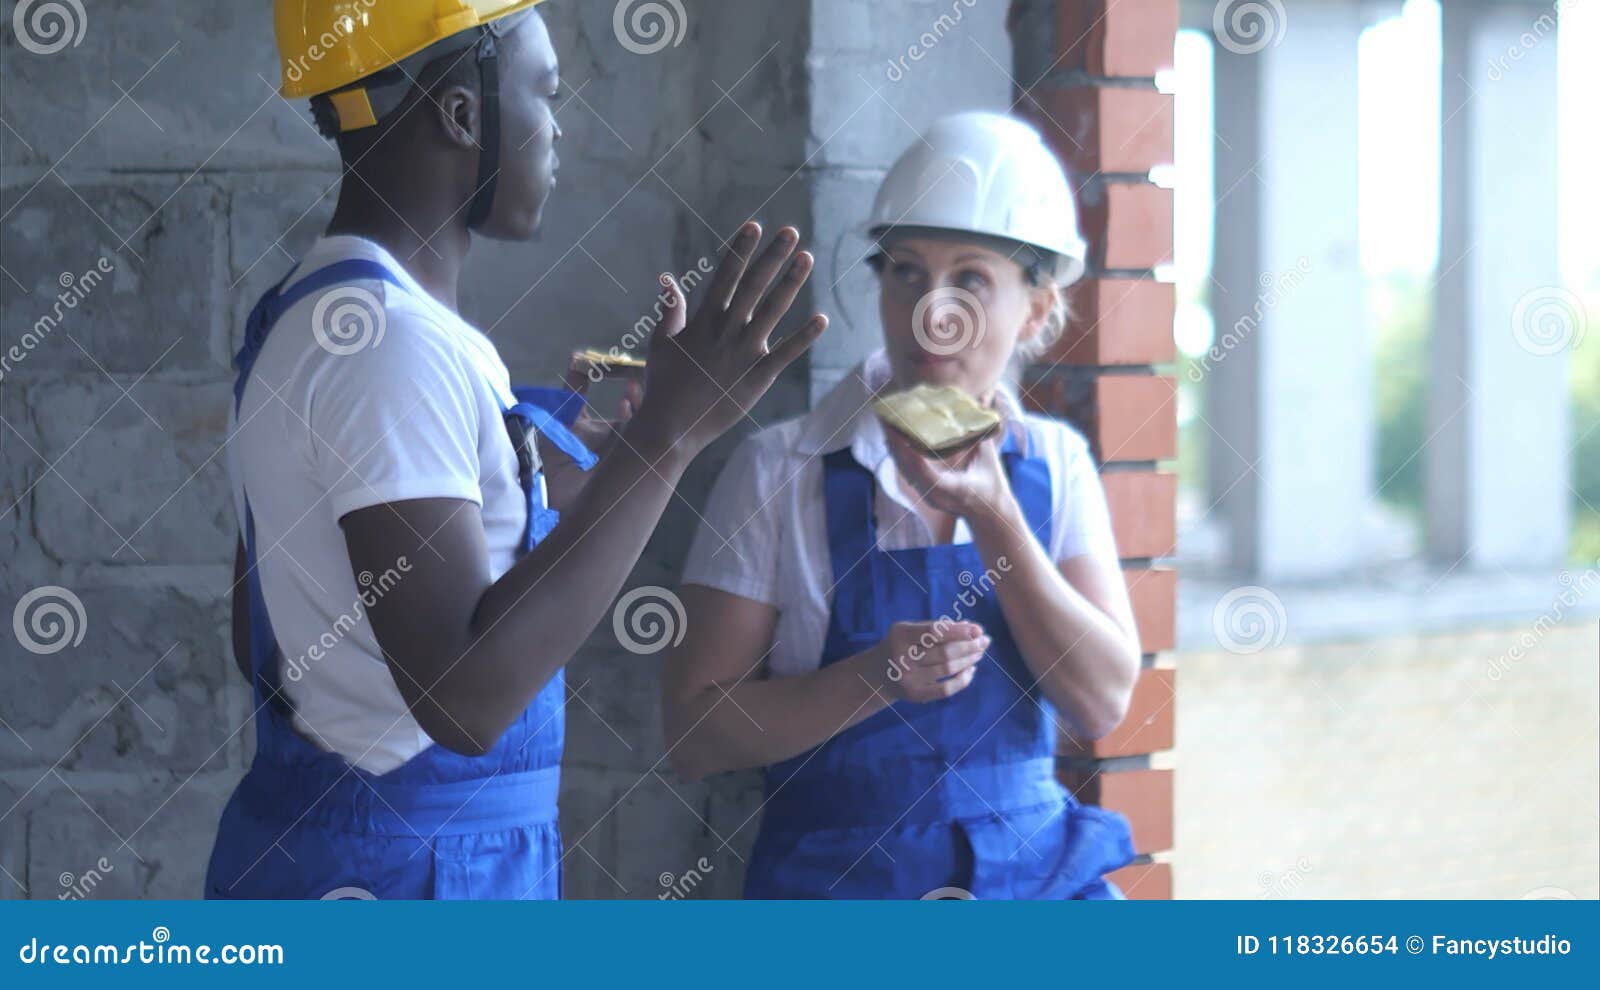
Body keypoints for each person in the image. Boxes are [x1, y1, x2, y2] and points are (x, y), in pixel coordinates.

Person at [206, 0, 825, 900]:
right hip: (409, 877)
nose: (558, 128)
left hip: (344, 851)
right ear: (461, 114)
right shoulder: (389, 346)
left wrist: (540, 484)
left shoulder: (317, 313)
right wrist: (667, 437)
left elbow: (268, 617)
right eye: (546, 93)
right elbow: (464, 700)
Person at [663, 111, 1141, 899]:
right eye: (906, 270)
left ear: (1037, 309)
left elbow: (1100, 702)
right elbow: (694, 736)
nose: (931, 309)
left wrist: (996, 517)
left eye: (972, 279)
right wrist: (878, 676)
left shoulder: (1055, 464)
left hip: (1036, 885)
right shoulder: (778, 469)